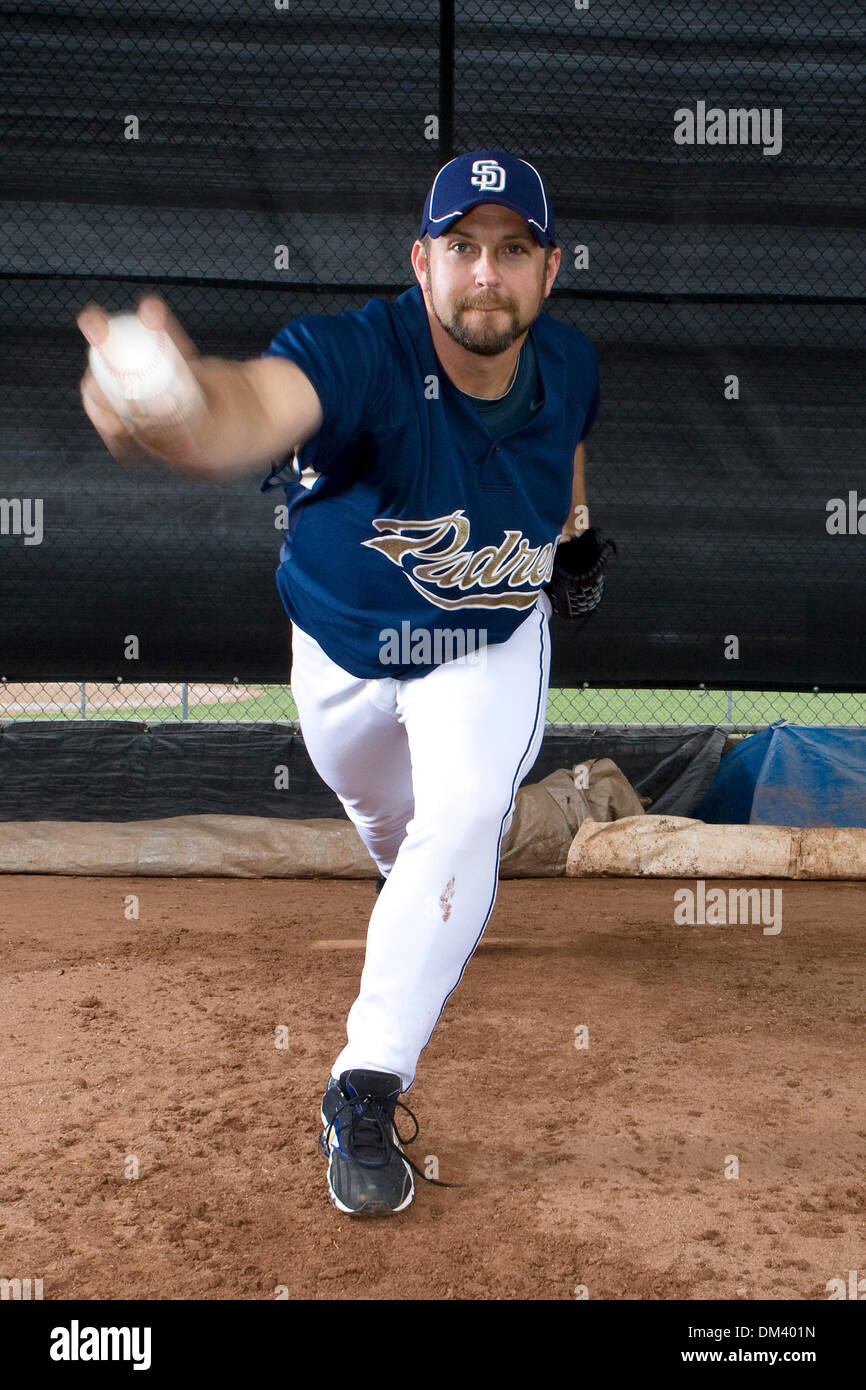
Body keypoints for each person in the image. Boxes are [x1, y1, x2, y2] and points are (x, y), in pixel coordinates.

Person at [78, 149, 600, 1217]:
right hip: (339, 653)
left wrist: (576, 533)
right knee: (390, 823)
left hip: (483, 644)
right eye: (461, 247)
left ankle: (364, 1081)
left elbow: (567, 446)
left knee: (461, 816)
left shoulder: (571, 364)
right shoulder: (359, 353)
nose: (484, 274)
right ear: (422, 262)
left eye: (512, 250)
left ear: (547, 272)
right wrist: (175, 404)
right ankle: (414, 900)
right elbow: (247, 408)